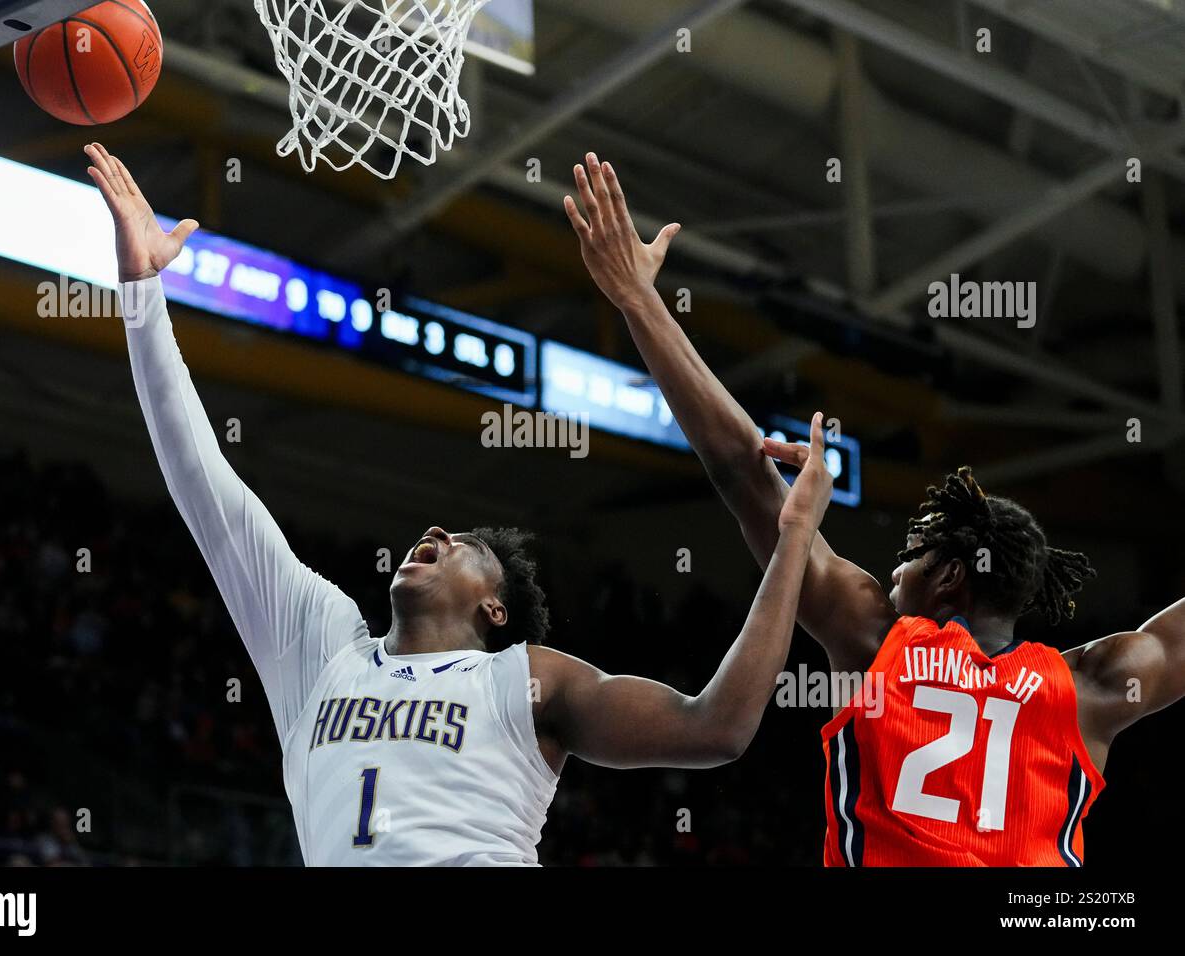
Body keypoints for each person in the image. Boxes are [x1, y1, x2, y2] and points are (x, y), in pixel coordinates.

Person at [85, 142, 836, 866]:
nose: (435, 530)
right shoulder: (320, 651)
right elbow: (202, 482)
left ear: (495, 612)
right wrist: (144, 295)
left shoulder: (525, 680)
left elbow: (718, 726)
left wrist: (795, 534)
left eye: (466, 543)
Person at [564, 150, 1185, 867]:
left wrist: (640, 302)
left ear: (950, 576)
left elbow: (741, 469)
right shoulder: (1094, 687)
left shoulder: (875, 638)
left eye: (912, 556)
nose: (893, 573)